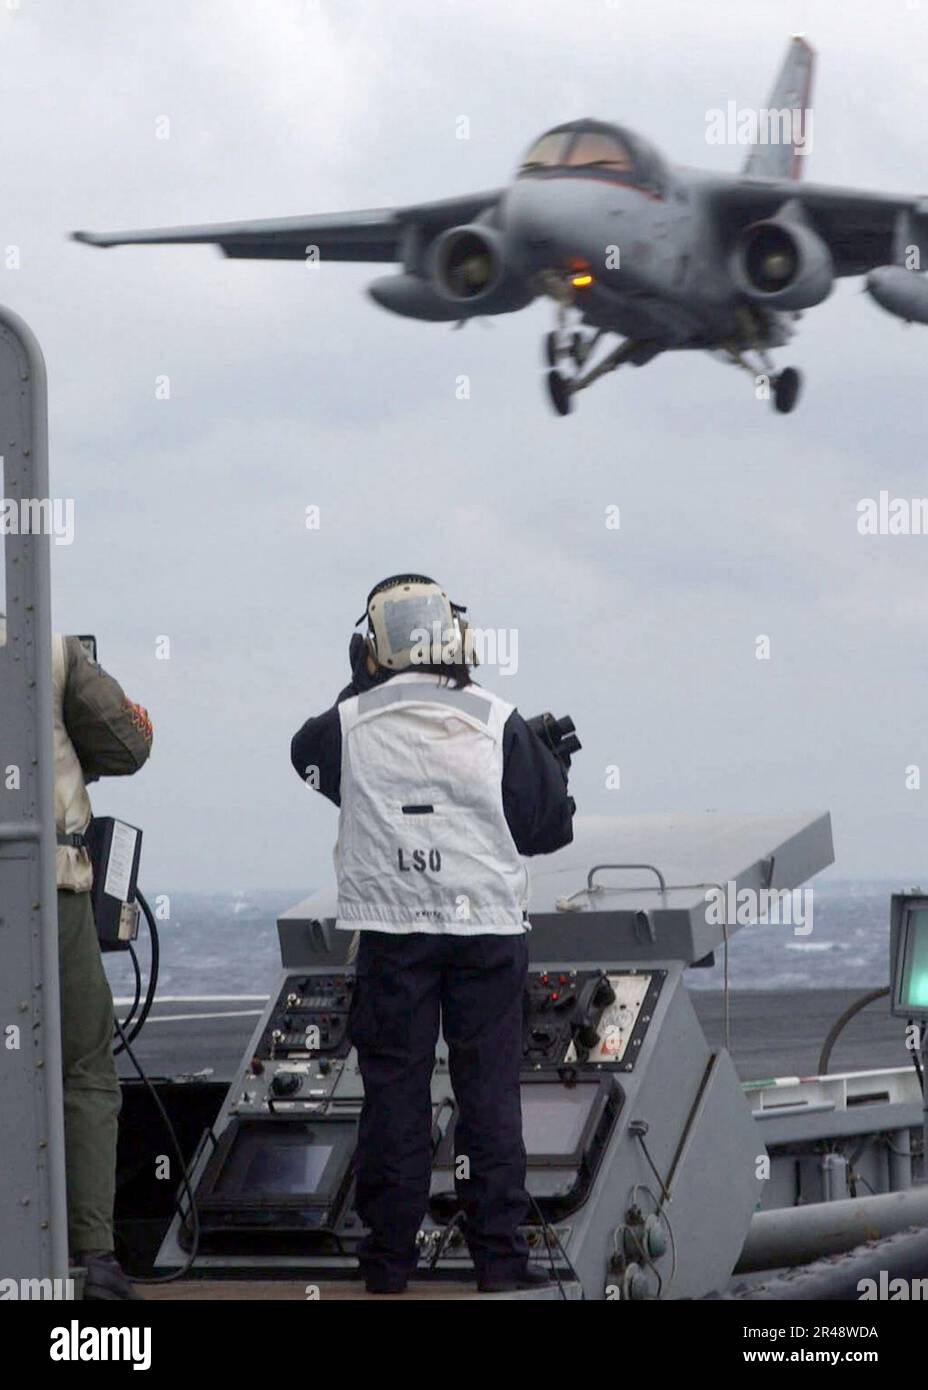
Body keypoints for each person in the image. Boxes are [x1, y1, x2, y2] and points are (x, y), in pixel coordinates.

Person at [290, 574, 575, 1294]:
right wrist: (549, 766)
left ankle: (388, 1264)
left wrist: (359, 687)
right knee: (489, 1097)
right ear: (457, 636)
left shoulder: (346, 725)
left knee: (395, 1097)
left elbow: (309, 757)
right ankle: (502, 1266)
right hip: (486, 930)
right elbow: (547, 828)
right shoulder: (495, 718)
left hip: (394, 929)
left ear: (371, 646)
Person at [52, 633, 153, 1299]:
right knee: (85, 1070)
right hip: (48, 882)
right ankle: (93, 1259)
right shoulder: (51, 651)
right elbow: (127, 744)